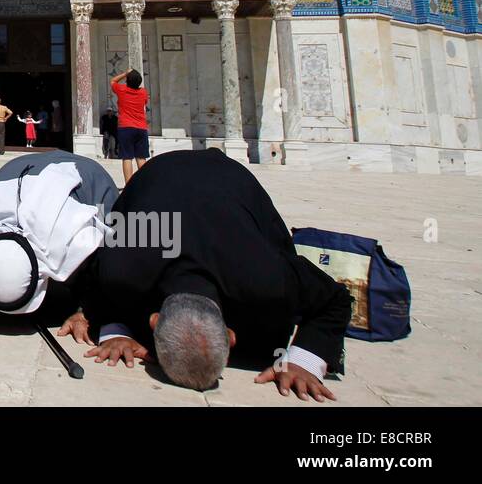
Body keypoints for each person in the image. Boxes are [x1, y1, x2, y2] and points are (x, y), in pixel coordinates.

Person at [70, 149, 352, 402]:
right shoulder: (121, 266)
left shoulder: (267, 279)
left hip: (225, 180)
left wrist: (304, 361)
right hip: (162, 173)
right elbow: (94, 281)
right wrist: (117, 331)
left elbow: (336, 299)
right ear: (230, 337)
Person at [0, 156, 109, 320]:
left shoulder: (75, 230)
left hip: (86, 172)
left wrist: (85, 311)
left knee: (121, 234)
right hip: (16, 170)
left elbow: (107, 260)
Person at [109, 68, 149, 183]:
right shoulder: (143, 92)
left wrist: (125, 73)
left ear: (127, 80)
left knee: (127, 157)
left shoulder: (122, 89)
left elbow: (113, 81)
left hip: (126, 127)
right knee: (141, 158)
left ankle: (129, 185)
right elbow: (145, 102)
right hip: (141, 127)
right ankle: (144, 183)